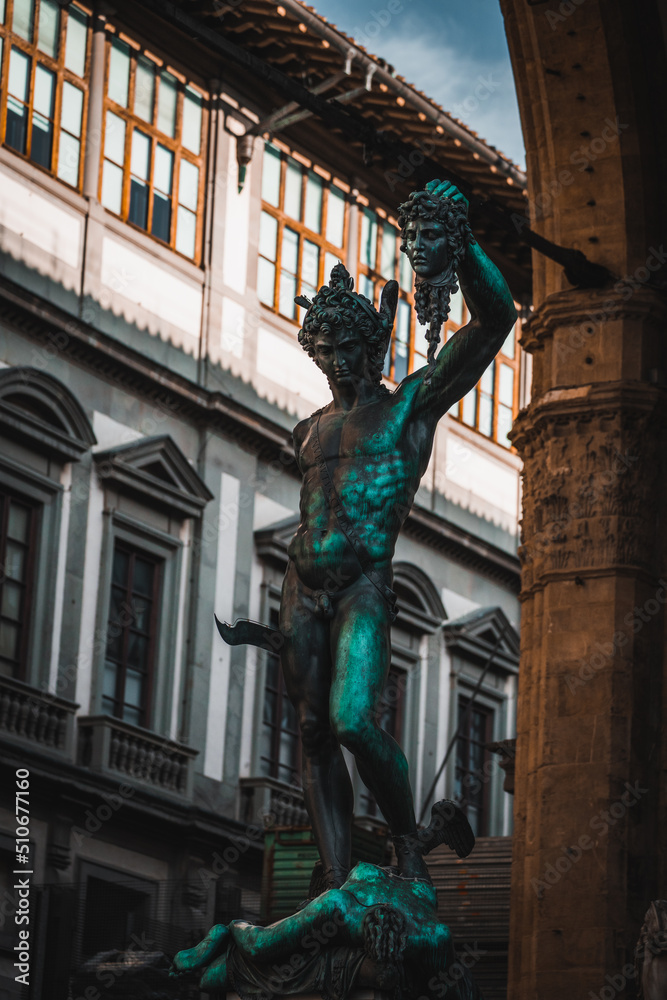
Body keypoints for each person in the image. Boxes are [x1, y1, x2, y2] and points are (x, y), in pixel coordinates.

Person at [278, 180, 518, 891]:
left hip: (362, 585)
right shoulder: (309, 430)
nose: (335, 361)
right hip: (300, 587)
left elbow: (495, 319)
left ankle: (408, 844)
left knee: (352, 720)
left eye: (347, 346)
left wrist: (461, 245)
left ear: (374, 344)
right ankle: (336, 872)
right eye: (322, 350)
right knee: (314, 733)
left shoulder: (411, 406)